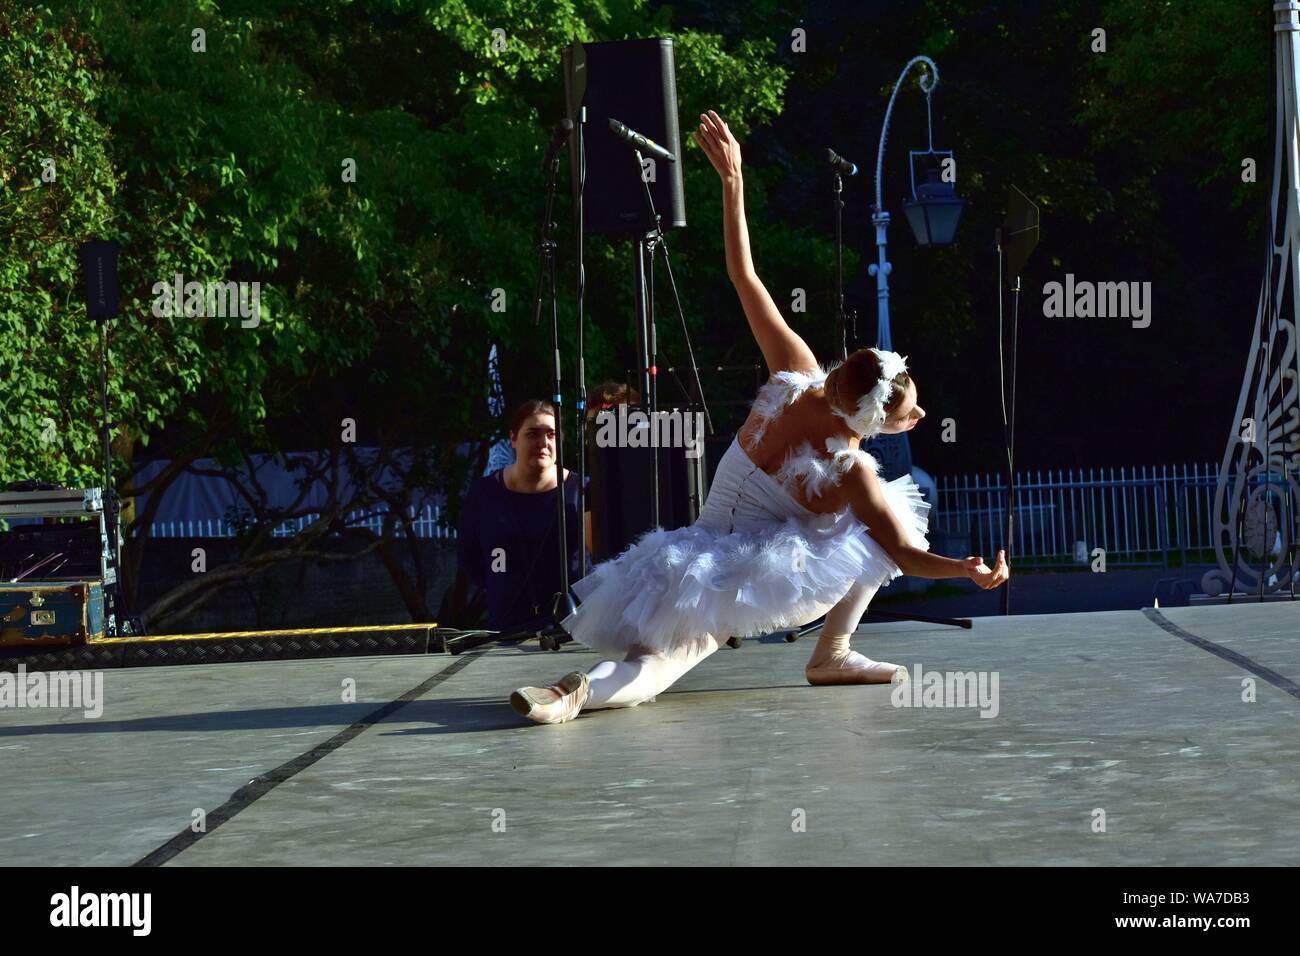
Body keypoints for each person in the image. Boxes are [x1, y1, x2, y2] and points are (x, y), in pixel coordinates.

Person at [510, 109, 1010, 724]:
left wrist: (733, 180)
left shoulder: (794, 374)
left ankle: (824, 654)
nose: (921, 416)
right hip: (746, 571)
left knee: (666, 647)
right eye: (906, 416)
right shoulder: (850, 467)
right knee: (871, 530)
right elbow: (905, 554)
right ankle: (582, 693)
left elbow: (742, 275)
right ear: (869, 418)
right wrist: (968, 570)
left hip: (696, 544)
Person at [457, 399, 591, 633]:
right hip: (507, 627)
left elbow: (603, 556)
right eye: (532, 434)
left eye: (551, 434)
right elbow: (470, 558)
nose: (543, 443)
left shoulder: (582, 491)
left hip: (576, 627)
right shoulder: (484, 493)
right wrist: (501, 583)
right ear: (513, 438)